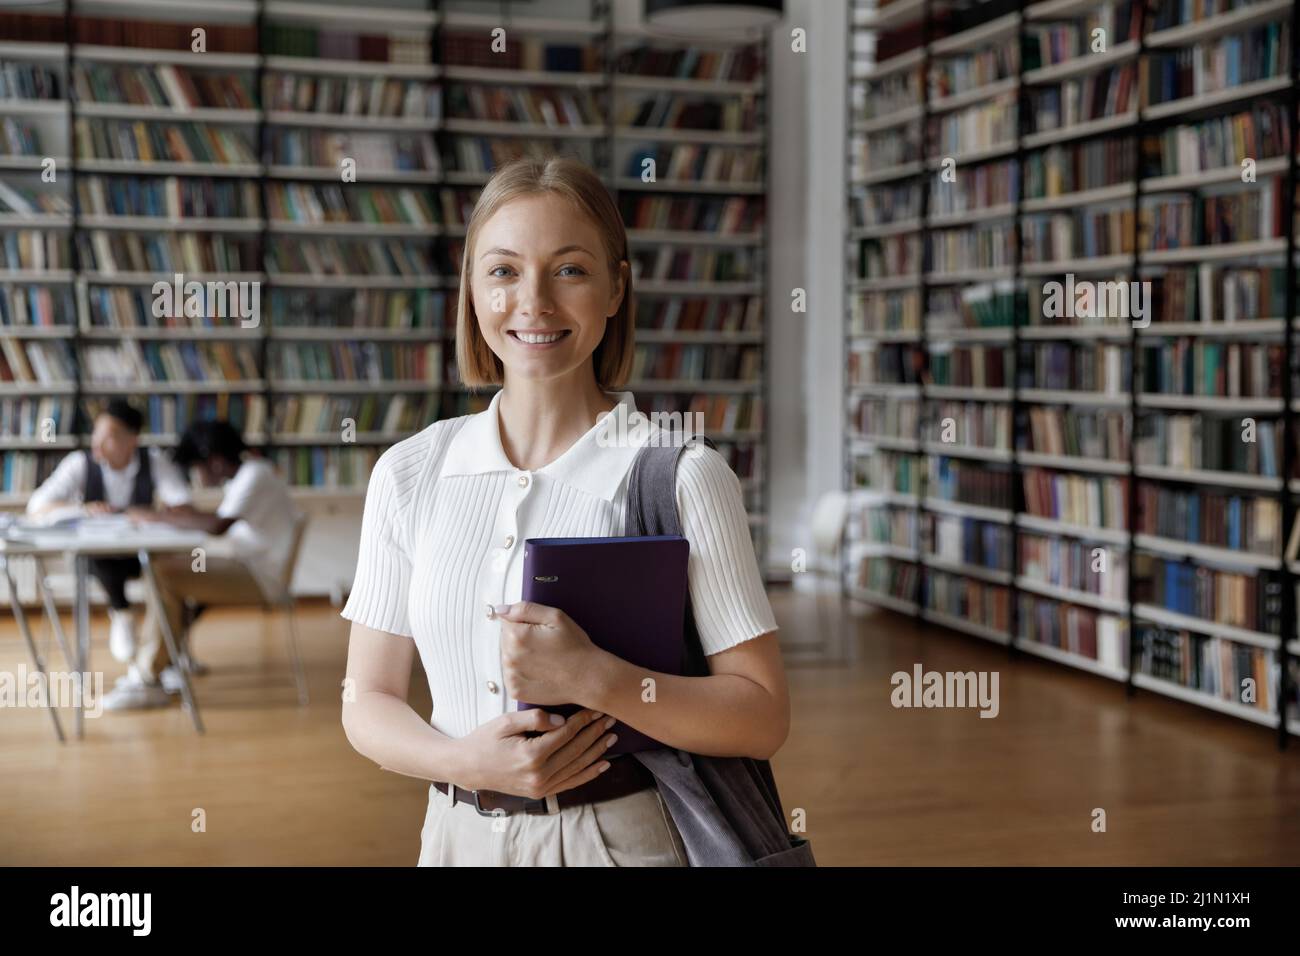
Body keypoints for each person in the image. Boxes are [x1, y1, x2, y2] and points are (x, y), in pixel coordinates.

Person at [340, 155, 789, 867]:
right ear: (472, 290)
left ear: (617, 286)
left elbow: (762, 716)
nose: (534, 302)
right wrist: (466, 762)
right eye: (504, 271)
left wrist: (596, 678)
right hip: (452, 840)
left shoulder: (683, 478)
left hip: (619, 843)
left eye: (570, 270)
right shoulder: (410, 473)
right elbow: (366, 699)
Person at [102, 420, 302, 710]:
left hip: (260, 577)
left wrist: (153, 517)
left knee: (164, 574)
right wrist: (178, 516)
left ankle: (147, 678)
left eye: (197, 467)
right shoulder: (251, 473)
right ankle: (165, 663)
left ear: (216, 461)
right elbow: (218, 519)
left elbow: (217, 525)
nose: (196, 476)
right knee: (167, 568)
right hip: (250, 566)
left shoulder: (254, 475)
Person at [26, 399, 194, 663]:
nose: (98, 444)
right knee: (97, 554)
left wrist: (148, 516)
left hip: (141, 555)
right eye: (96, 434)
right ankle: (122, 612)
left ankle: (164, 652)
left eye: (109, 437)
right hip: (99, 559)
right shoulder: (79, 463)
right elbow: (37, 506)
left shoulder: (154, 462)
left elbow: (184, 505)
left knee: (178, 571)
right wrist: (84, 509)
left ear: (132, 440)